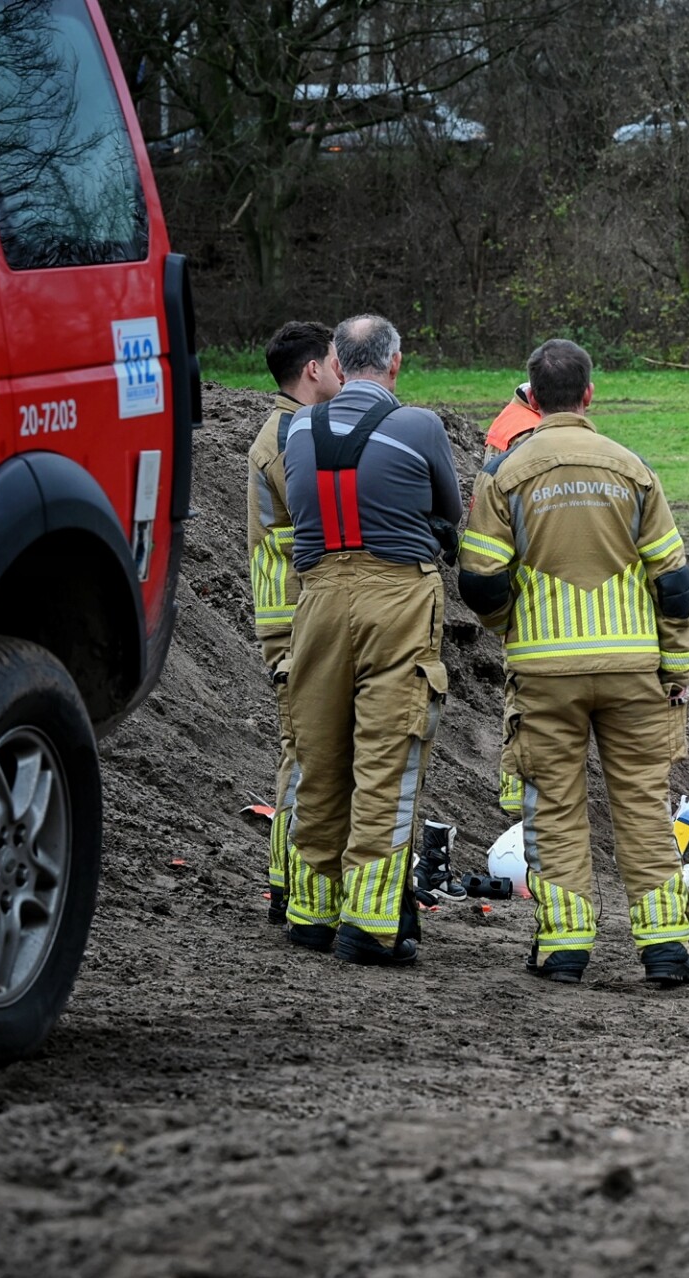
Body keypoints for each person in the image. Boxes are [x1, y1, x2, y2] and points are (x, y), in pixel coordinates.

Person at [458, 339, 689, 987]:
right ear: (590, 395)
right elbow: (674, 583)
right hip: (633, 672)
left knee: (554, 808)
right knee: (644, 808)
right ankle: (666, 949)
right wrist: (675, 667)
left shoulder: (504, 472)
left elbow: (480, 583)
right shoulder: (633, 469)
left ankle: (564, 948)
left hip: (543, 675)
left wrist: (517, 628)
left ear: (531, 398)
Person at [280, 314, 460, 965]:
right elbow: (450, 513)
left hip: (318, 600)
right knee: (387, 758)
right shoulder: (419, 427)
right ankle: (371, 923)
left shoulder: (298, 427)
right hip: (396, 599)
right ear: (395, 363)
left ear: (335, 361)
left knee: (318, 755)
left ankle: (310, 914)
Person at [246, 320, 340, 923]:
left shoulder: (279, 430)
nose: (340, 373)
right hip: (299, 624)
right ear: (313, 370)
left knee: (297, 754)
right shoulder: (291, 436)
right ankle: (291, 888)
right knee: (306, 758)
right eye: (335, 363)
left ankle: (286, 881)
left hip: (289, 619)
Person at [480, 381, 546, 822]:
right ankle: (520, 793)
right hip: (533, 578)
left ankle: (517, 790)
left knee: (523, 685)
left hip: (516, 572)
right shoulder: (527, 434)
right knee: (529, 688)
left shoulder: (513, 421)